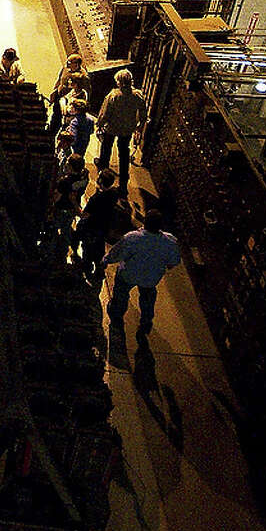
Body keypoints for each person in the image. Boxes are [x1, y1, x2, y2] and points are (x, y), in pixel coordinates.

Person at [102, 209, 182, 347]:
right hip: (151, 278)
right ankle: (145, 322)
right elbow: (173, 262)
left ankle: (117, 316)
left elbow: (117, 253)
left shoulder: (133, 238)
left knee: (121, 294)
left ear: (145, 221)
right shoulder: (170, 242)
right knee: (147, 300)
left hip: (129, 274)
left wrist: (105, 260)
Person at [94, 68, 146, 182]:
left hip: (112, 127)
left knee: (106, 147)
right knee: (124, 153)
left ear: (120, 82)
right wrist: (140, 126)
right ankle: (123, 179)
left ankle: (103, 170)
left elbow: (105, 113)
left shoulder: (114, 95)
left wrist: (99, 124)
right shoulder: (138, 95)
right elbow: (143, 112)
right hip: (127, 128)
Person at [76, 172, 128, 282]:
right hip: (104, 227)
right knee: (99, 249)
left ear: (100, 182)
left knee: (88, 249)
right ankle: (99, 270)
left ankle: (87, 268)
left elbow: (86, 214)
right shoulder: (114, 194)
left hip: (92, 227)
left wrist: (78, 211)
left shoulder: (96, 198)